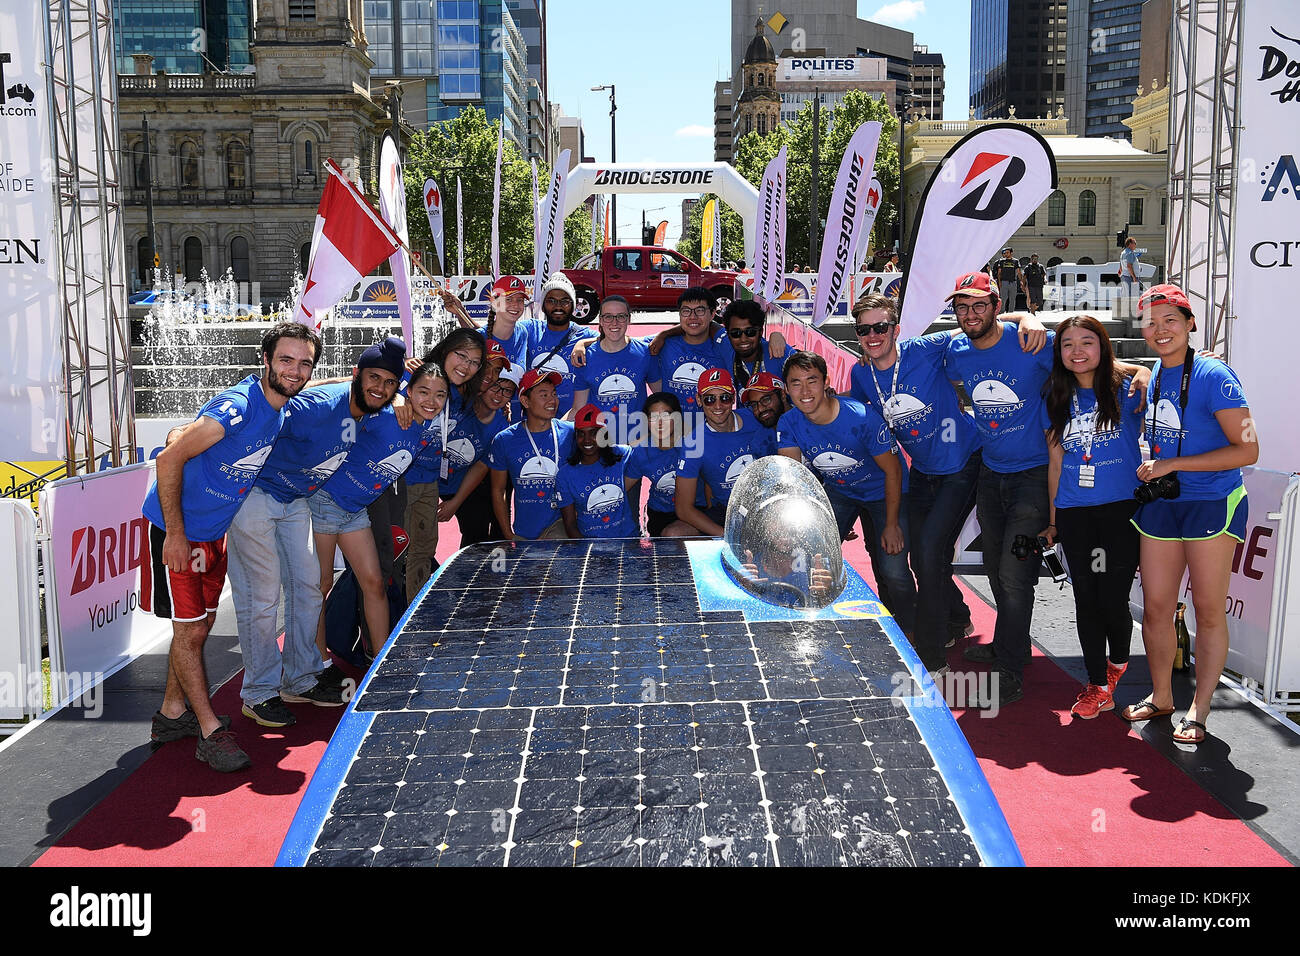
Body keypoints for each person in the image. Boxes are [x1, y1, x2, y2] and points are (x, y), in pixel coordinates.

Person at [946, 272, 1150, 707]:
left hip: (1034, 482)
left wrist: (1142, 371)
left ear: (997, 304)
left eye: (979, 304)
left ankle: (1009, 670)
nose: (970, 313)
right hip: (991, 476)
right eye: (962, 306)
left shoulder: (1033, 342)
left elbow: (1089, 350)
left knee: (1015, 571)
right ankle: (1012, 645)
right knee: (998, 569)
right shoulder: (956, 349)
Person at [142, 321, 319, 771]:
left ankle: (171, 715)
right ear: (265, 360)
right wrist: (177, 536)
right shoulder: (240, 406)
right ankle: (210, 731)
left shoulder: (278, 407)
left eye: (304, 363)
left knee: (195, 628)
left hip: (212, 533)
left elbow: (186, 433)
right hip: (177, 532)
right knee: (191, 631)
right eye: (285, 360)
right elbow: (169, 458)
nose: (295, 371)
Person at [231, 338, 413, 728]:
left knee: (309, 589)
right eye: (373, 378)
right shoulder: (316, 405)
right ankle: (259, 692)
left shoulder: (370, 408)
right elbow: (262, 409)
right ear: (356, 375)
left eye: (388, 382)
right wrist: (199, 430)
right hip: (258, 494)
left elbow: (420, 380)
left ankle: (300, 679)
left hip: (297, 499)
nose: (380, 387)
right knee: (262, 597)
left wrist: (395, 398)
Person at [849, 292, 1026, 673]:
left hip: (965, 462)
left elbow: (977, 325)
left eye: (881, 327)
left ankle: (930, 657)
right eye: (864, 330)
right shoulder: (860, 373)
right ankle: (958, 617)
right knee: (920, 556)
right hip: (924, 472)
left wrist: (1024, 320)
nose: (873, 336)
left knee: (929, 552)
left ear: (895, 329)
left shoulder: (924, 348)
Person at [1123, 284, 1257, 744]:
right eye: (1152, 322)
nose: (1161, 331)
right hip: (1163, 503)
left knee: (1207, 609)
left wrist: (1174, 464)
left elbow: (1248, 449)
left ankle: (1199, 711)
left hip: (1212, 503)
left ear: (1190, 324)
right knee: (1157, 608)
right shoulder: (1155, 372)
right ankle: (1162, 696)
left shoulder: (1214, 374)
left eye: (1171, 321)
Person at [310, 338, 448, 660]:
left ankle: (380, 659)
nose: (431, 401)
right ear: (409, 391)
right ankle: (317, 660)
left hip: (355, 512)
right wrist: (392, 395)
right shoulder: (386, 414)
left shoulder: (420, 428)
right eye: (423, 392)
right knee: (321, 584)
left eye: (439, 394)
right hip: (327, 503)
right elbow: (350, 397)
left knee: (374, 583)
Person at [1043, 315, 1145, 718]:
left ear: (1103, 346)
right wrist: (1053, 520)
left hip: (1120, 509)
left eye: (1087, 342)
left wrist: (1143, 368)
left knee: (1112, 597)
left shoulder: (1128, 391)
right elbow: (1055, 463)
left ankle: (1118, 661)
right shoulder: (1054, 395)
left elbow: (1161, 378)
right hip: (1074, 512)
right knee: (1086, 598)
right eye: (1068, 344)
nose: (1078, 351)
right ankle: (1096, 684)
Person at [777, 350, 916, 637]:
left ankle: (910, 635)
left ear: (827, 382)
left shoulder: (862, 418)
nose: (805, 391)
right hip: (840, 490)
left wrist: (891, 525)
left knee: (893, 569)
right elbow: (793, 479)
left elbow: (893, 472)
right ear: (787, 389)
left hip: (883, 491)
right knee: (808, 553)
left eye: (812, 381)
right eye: (796, 383)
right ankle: (813, 621)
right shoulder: (788, 422)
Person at [674, 368, 776, 537]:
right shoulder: (694, 443)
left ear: (734, 398)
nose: (718, 405)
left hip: (770, 505)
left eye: (725, 398)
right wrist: (726, 536)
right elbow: (684, 509)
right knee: (675, 533)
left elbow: (790, 412)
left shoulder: (756, 416)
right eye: (709, 399)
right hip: (729, 513)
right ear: (699, 400)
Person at [434, 349, 518, 547]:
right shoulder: (459, 400)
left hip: (460, 483)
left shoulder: (500, 426)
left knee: (475, 530)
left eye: (507, 391)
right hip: (425, 477)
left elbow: (481, 466)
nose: (499, 396)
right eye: (496, 387)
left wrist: (455, 503)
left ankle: (476, 573)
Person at [488, 369, 575, 540]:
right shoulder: (504, 440)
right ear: (525, 401)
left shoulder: (571, 433)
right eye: (544, 395)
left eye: (554, 394)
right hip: (524, 533)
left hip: (561, 529)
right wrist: (508, 534)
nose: (553, 400)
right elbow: (498, 492)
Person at [556, 404, 640, 538]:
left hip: (628, 543)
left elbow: (647, 448)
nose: (587, 440)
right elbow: (570, 525)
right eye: (581, 434)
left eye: (593, 433)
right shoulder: (565, 475)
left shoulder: (621, 455)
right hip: (591, 549)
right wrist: (588, 553)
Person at [523, 272, 598, 417]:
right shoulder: (531, 329)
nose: (558, 306)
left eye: (565, 301)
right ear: (543, 305)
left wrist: (583, 342)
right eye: (551, 300)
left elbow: (619, 339)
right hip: (535, 423)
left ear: (573, 305)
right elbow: (495, 331)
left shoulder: (585, 335)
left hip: (571, 424)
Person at [625, 392, 699, 537]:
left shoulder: (692, 446)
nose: (660, 423)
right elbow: (621, 488)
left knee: (673, 534)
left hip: (695, 511)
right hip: (659, 513)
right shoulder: (640, 452)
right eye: (653, 417)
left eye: (666, 416)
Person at [571, 294, 654, 421]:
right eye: (608, 317)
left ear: (628, 319)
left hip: (638, 437)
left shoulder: (644, 353)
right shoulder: (585, 358)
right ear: (601, 320)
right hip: (599, 438)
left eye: (621, 316)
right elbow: (578, 408)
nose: (614, 322)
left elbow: (661, 398)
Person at [650, 287, 728, 412]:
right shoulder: (662, 344)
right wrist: (663, 335)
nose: (693, 317)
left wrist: (772, 336)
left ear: (713, 314)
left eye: (700, 310)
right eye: (686, 311)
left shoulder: (724, 349)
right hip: (674, 427)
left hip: (711, 428)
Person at [991, 248, 1025, 314]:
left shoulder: (1015, 261)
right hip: (1004, 282)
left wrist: (1021, 281)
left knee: (1012, 299)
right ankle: (1001, 312)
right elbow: (999, 273)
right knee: (1003, 299)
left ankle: (1010, 313)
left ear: (1011, 253)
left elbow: (1018, 272)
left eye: (1007, 253)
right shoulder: (1001, 261)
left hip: (1013, 282)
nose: (1006, 254)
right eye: (1005, 253)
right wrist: (1000, 283)